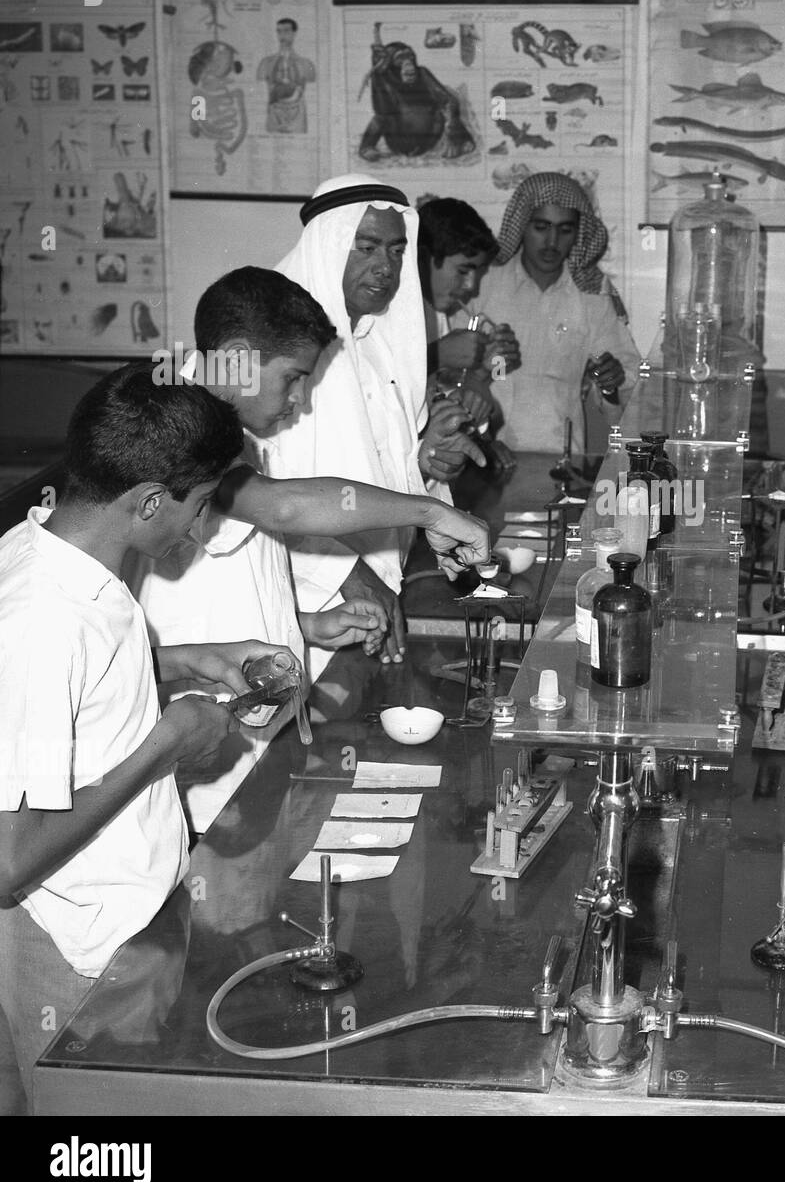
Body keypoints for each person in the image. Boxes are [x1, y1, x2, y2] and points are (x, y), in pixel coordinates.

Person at [0, 364, 295, 1114]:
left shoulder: (71, 563)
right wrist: (165, 749)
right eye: (199, 508)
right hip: (81, 955)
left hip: (135, 919)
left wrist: (193, 659)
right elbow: (8, 859)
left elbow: (75, 696)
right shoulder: (43, 616)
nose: (204, 528)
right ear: (149, 501)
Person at [129, 267, 491, 832]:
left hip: (242, 721)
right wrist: (432, 511)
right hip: (195, 737)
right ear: (240, 358)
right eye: (293, 378)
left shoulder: (230, 436)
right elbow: (286, 509)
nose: (298, 401)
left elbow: (230, 574)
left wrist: (306, 626)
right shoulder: (177, 432)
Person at [266, 174, 485, 677]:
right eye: (366, 247)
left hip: (376, 601)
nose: (385, 267)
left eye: (395, 251)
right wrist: (348, 572)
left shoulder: (382, 345)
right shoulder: (270, 352)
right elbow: (248, 496)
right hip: (301, 605)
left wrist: (428, 462)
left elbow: (387, 463)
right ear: (329, 243)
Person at [471, 172, 640, 454]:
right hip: (486, 451)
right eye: (541, 227)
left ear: (578, 232)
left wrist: (613, 379)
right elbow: (452, 374)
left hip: (560, 459)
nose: (552, 242)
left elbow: (630, 377)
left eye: (565, 230)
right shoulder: (482, 283)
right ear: (522, 225)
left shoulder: (592, 296)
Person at [416, 196, 517, 464]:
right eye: (463, 271)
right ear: (425, 259)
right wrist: (439, 355)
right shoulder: (385, 311)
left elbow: (431, 407)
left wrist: (481, 374)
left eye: (478, 273)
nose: (472, 286)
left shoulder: (436, 314)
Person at [256, 17, 316, 134]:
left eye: (286, 31)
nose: (282, 35)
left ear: (294, 33)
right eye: (279, 31)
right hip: (275, 112)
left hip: (296, 113)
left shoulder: (306, 64)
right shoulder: (266, 63)